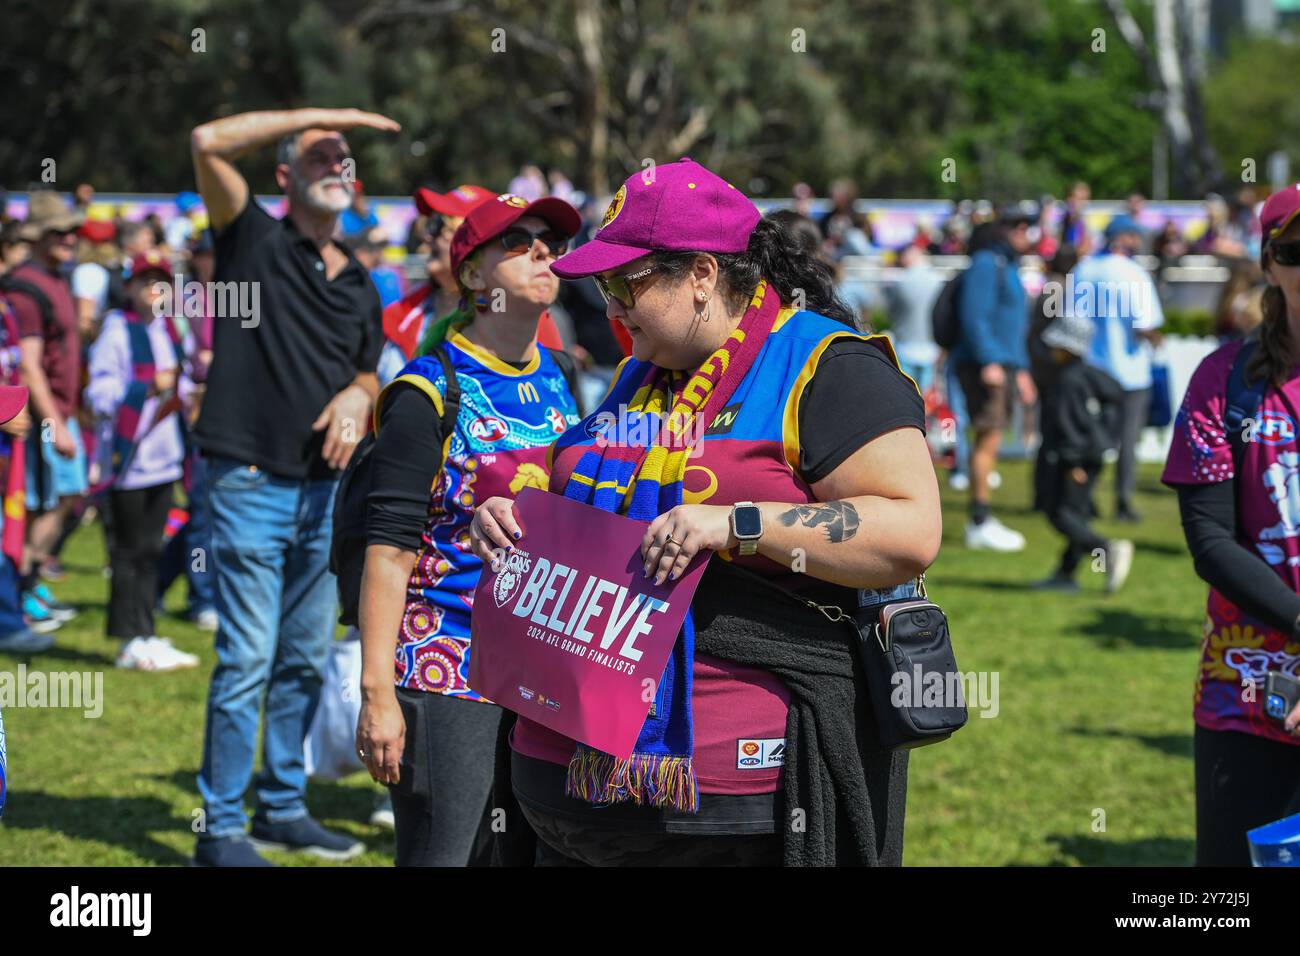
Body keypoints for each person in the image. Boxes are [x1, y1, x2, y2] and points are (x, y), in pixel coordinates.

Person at [470, 158, 940, 867]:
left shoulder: (826, 367)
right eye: (604, 286)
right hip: (565, 777)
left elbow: (909, 530)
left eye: (628, 283)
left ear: (701, 275)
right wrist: (510, 512)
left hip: (727, 796)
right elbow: (569, 474)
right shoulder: (640, 377)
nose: (611, 308)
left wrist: (738, 522)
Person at [188, 106, 399, 867]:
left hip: (324, 493)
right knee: (247, 657)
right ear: (283, 175)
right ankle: (218, 828)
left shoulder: (360, 282)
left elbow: (372, 369)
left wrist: (358, 392)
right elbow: (206, 142)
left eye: (345, 155)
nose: (337, 161)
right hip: (248, 479)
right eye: (319, 154)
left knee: (304, 659)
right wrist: (326, 115)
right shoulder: (251, 240)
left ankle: (280, 807)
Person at [355, 192, 582, 866]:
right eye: (518, 241)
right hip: (448, 663)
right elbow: (389, 554)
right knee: (447, 856)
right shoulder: (425, 391)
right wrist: (376, 697)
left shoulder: (562, 376)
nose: (545, 251)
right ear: (474, 277)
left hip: (542, 660)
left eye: (550, 239)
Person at [1162, 183, 1300, 866]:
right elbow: (1212, 542)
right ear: (1270, 265)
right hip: (1249, 687)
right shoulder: (1223, 379)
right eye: (1297, 249)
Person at [85, 250, 199, 672]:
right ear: (130, 287)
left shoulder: (166, 329)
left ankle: (145, 630)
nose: (155, 290)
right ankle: (129, 638)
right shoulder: (117, 330)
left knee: (151, 549)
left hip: (163, 457)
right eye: (147, 282)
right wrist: (148, 387)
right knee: (130, 553)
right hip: (128, 458)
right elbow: (97, 394)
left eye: (162, 283)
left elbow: (178, 383)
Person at [7, 191, 88, 629]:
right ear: (38, 235)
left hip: (61, 410)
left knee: (68, 496)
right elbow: (29, 364)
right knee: (35, 506)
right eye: (60, 231)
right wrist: (55, 423)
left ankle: (29, 582)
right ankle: (20, 589)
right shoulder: (26, 287)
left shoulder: (56, 277)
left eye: (73, 230)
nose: (70, 238)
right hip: (38, 416)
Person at [1029, 312, 1133, 593]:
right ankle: (1066, 574)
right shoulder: (1095, 377)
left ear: (1066, 348)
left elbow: (1068, 423)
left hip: (1072, 458)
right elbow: (1116, 403)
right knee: (1077, 513)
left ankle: (1107, 549)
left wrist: (1073, 462)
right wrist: (1106, 438)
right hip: (1093, 453)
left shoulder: (1067, 382)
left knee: (1061, 513)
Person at [952, 210, 1036, 551]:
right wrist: (989, 360)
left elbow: (1013, 325)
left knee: (992, 438)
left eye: (1027, 225)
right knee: (987, 437)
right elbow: (974, 316)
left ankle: (982, 517)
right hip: (985, 366)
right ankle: (979, 520)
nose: (1022, 230)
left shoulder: (1006, 264)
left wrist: (1023, 369)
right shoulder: (988, 263)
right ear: (998, 229)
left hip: (1003, 364)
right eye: (1015, 223)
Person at [1074, 214, 1165, 523]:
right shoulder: (1132, 273)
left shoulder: (1084, 269)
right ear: (1124, 238)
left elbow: (1071, 320)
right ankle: (1123, 502)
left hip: (1092, 367)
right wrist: (1157, 339)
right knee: (1127, 441)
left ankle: (1084, 498)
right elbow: (1144, 324)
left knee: (1095, 436)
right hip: (1129, 371)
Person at [377, 184, 496, 385]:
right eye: (428, 225)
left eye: (438, 225)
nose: (426, 236)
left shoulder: (519, 321)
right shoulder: (398, 317)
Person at [884, 245, 943, 393]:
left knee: (907, 394)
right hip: (931, 346)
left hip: (906, 344)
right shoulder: (938, 281)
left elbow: (891, 311)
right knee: (928, 398)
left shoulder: (902, 281)